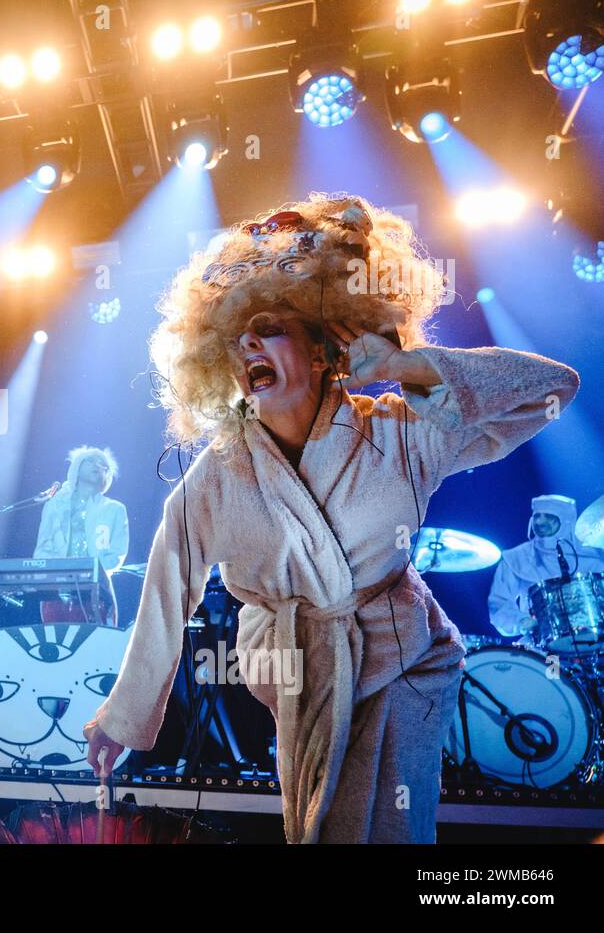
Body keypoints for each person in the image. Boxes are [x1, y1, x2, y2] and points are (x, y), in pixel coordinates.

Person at [82, 195, 581, 843]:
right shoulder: (216, 476)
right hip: (297, 675)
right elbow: (166, 587)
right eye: (239, 336)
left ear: (325, 347)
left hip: (403, 664)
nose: (250, 344)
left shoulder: (402, 434)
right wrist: (124, 716)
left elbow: (551, 390)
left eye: (271, 327)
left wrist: (407, 369)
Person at [33, 445, 129, 625]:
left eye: (103, 465)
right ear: (77, 466)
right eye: (91, 460)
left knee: (98, 645)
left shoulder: (115, 509)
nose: (98, 465)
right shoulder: (55, 505)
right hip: (57, 592)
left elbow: (117, 553)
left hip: (97, 592)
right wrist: (50, 575)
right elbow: (42, 548)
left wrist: (91, 571)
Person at [488, 495, 604, 637]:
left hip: (597, 639)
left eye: (549, 516)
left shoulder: (596, 556)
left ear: (566, 520)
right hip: (545, 648)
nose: (540, 522)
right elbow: (499, 604)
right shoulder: (516, 558)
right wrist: (522, 621)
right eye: (537, 516)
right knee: (549, 659)